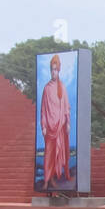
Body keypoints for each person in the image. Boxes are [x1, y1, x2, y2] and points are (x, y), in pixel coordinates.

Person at [40, 53, 71, 187]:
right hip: (50, 128)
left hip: (60, 126)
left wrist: (68, 122)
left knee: (58, 154)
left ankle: (53, 178)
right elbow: (43, 110)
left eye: (56, 70)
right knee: (49, 153)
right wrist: (43, 126)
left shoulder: (62, 87)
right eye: (52, 70)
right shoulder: (46, 88)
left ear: (59, 71)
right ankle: (47, 179)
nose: (54, 72)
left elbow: (66, 106)